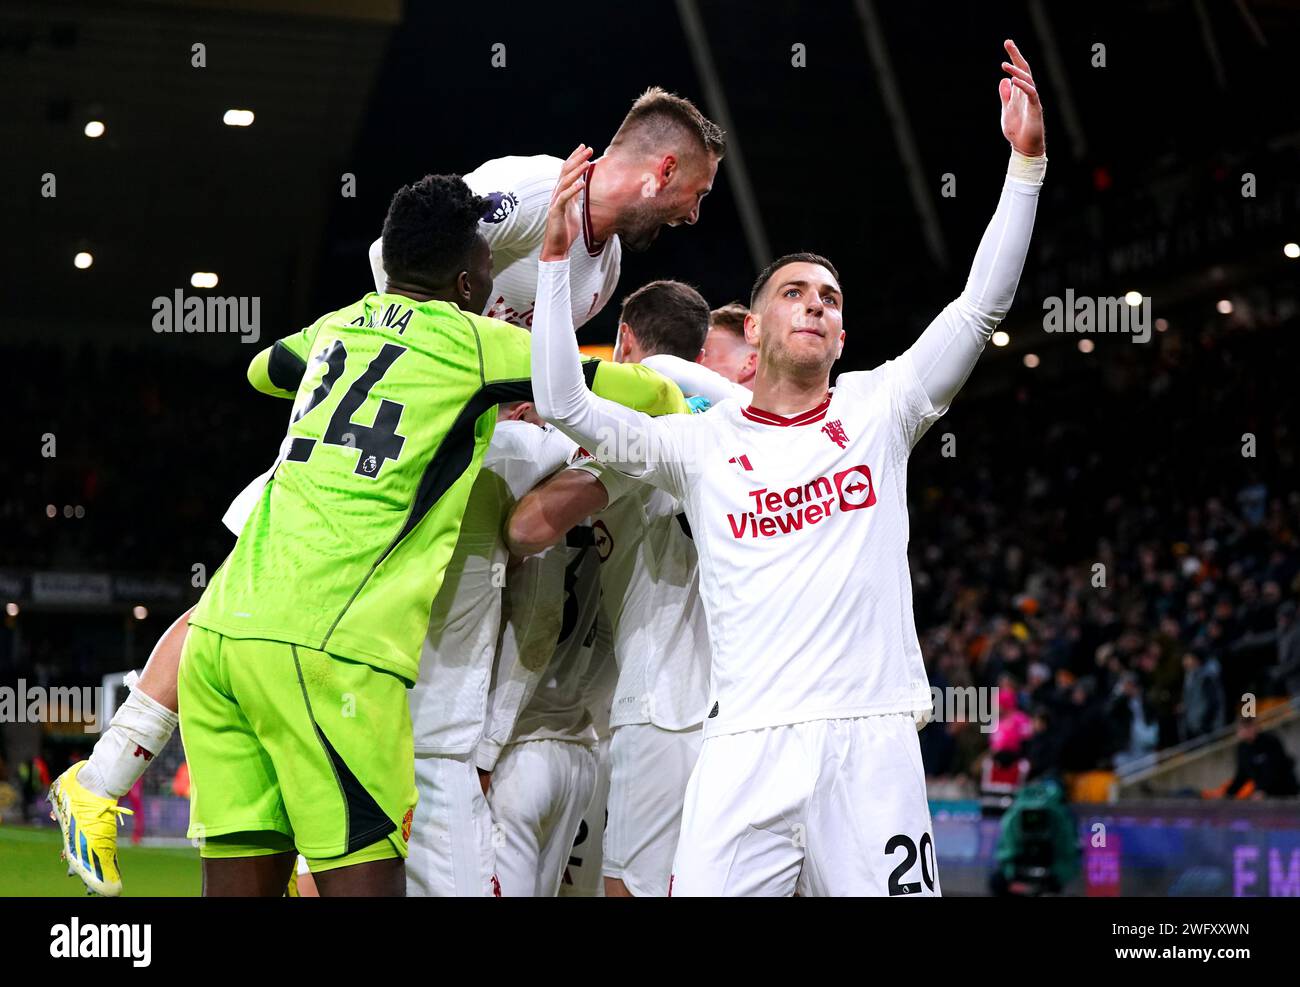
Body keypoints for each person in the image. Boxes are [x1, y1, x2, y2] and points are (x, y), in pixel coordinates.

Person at [48, 86, 724, 897]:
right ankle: (102, 776)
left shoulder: (605, 264)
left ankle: (443, 770)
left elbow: (282, 364)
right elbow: (398, 257)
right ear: (666, 167)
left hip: (453, 417)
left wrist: (492, 379)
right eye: (699, 191)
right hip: (399, 410)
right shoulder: (535, 191)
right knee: (258, 594)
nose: (695, 214)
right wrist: (445, 349)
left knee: (334, 593)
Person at [526, 39, 1046, 895]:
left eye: (831, 300)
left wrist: (1024, 166)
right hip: (745, 747)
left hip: (869, 743)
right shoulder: (702, 446)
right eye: (795, 293)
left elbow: (981, 304)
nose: (816, 303)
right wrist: (553, 267)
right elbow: (565, 403)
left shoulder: (883, 408)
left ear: (841, 339)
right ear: (754, 330)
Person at [506, 280, 728, 896]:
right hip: (739, 710)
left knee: (630, 886)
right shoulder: (744, 423)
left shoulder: (646, 425)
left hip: (659, 705)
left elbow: (528, 529)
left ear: (624, 341)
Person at [1202, 715, 1299, 799]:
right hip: (1263, 795)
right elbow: (1241, 775)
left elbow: (1275, 770)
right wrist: (1228, 795)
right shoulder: (1242, 748)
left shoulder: (1270, 742)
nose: (1245, 730)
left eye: (1248, 727)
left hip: (1283, 792)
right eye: (1242, 728)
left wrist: (1262, 790)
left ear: (1255, 727)